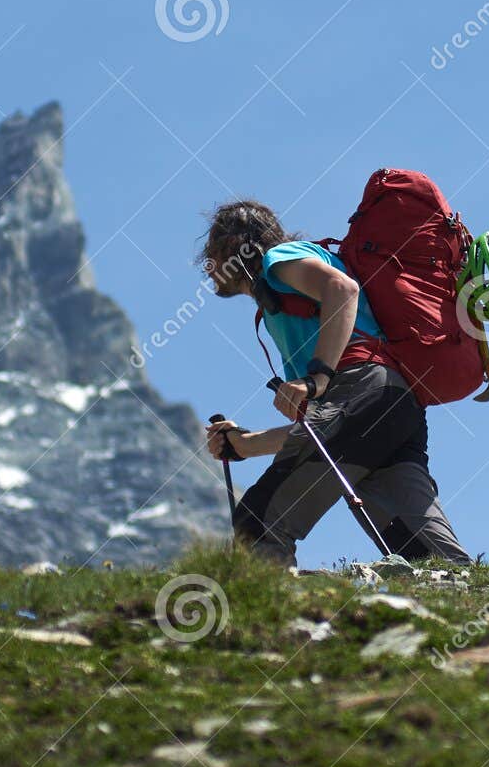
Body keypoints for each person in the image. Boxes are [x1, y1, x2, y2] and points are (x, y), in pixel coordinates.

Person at [199, 199, 471, 567]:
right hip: (394, 406)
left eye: (212, 249)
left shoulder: (278, 260)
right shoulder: (287, 303)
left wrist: (318, 377)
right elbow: (327, 431)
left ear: (235, 246)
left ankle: (273, 620)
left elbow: (342, 290)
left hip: (361, 389)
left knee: (258, 523)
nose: (208, 264)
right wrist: (245, 444)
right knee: (426, 554)